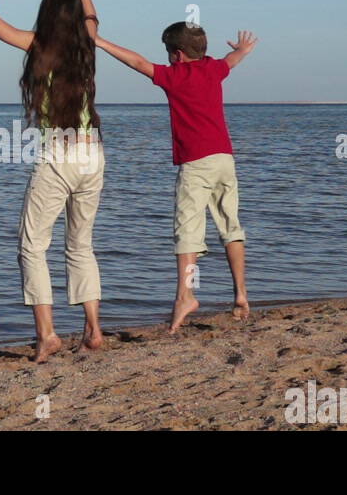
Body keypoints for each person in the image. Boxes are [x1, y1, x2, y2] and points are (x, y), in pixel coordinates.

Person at [0, 0, 104, 362]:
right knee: (80, 246)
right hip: (94, 155)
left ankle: (47, 334)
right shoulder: (87, 46)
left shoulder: (37, 47)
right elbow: (92, 17)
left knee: (33, 246)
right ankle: (94, 330)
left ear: (46, 16)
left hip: (60, 155)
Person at [94, 23, 258, 330]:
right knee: (230, 226)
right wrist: (242, 50)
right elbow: (231, 60)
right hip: (224, 158)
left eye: (169, 53)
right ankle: (241, 293)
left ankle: (186, 296)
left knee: (187, 232)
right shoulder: (213, 69)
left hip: (196, 163)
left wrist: (102, 42)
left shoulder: (175, 76)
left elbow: (137, 62)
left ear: (178, 55)